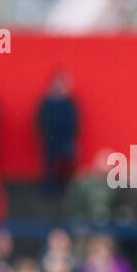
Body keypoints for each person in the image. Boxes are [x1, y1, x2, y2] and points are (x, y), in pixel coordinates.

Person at [36, 71, 79, 201]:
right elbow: (40, 120)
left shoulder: (69, 102)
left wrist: (71, 138)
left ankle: (66, 190)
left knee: (67, 163)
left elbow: (74, 122)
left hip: (65, 140)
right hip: (50, 140)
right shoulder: (47, 102)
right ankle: (50, 192)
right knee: (50, 166)